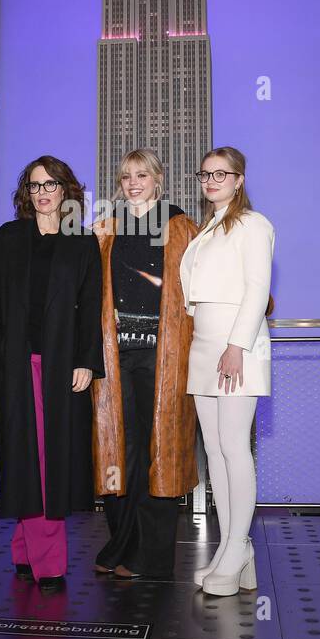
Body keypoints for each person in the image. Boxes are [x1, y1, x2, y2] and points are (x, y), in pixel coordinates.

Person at [0, 156, 103, 593]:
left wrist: (86, 360)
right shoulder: (9, 237)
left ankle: (38, 556)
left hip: (62, 366)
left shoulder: (82, 242)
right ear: (26, 193)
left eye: (50, 184)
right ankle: (33, 554)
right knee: (22, 456)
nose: (43, 192)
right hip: (14, 365)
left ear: (66, 189)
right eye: (34, 185)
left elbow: (92, 308)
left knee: (50, 460)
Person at [90, 149, 199, 579]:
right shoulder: (106, 229)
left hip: (164, 355)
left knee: (161, 451)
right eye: (126, 176)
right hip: (115, 356)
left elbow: (209, 279)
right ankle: (121, 544)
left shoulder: (182, 226)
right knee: (120, 450)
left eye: (142, 175)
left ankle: (149, 556)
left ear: (158, 179)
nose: (133, 183)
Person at [179, 147, 274, 597]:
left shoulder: (253, 224)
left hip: (237, 345)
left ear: (239, 180)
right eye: (206, 174)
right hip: (203, 345)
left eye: (222, 173)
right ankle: (230, 547)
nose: (212, 180)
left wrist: (237, 346)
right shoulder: (208, 228)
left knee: (235, 449)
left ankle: (238, 545)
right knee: (214, 451)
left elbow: (257, 289)